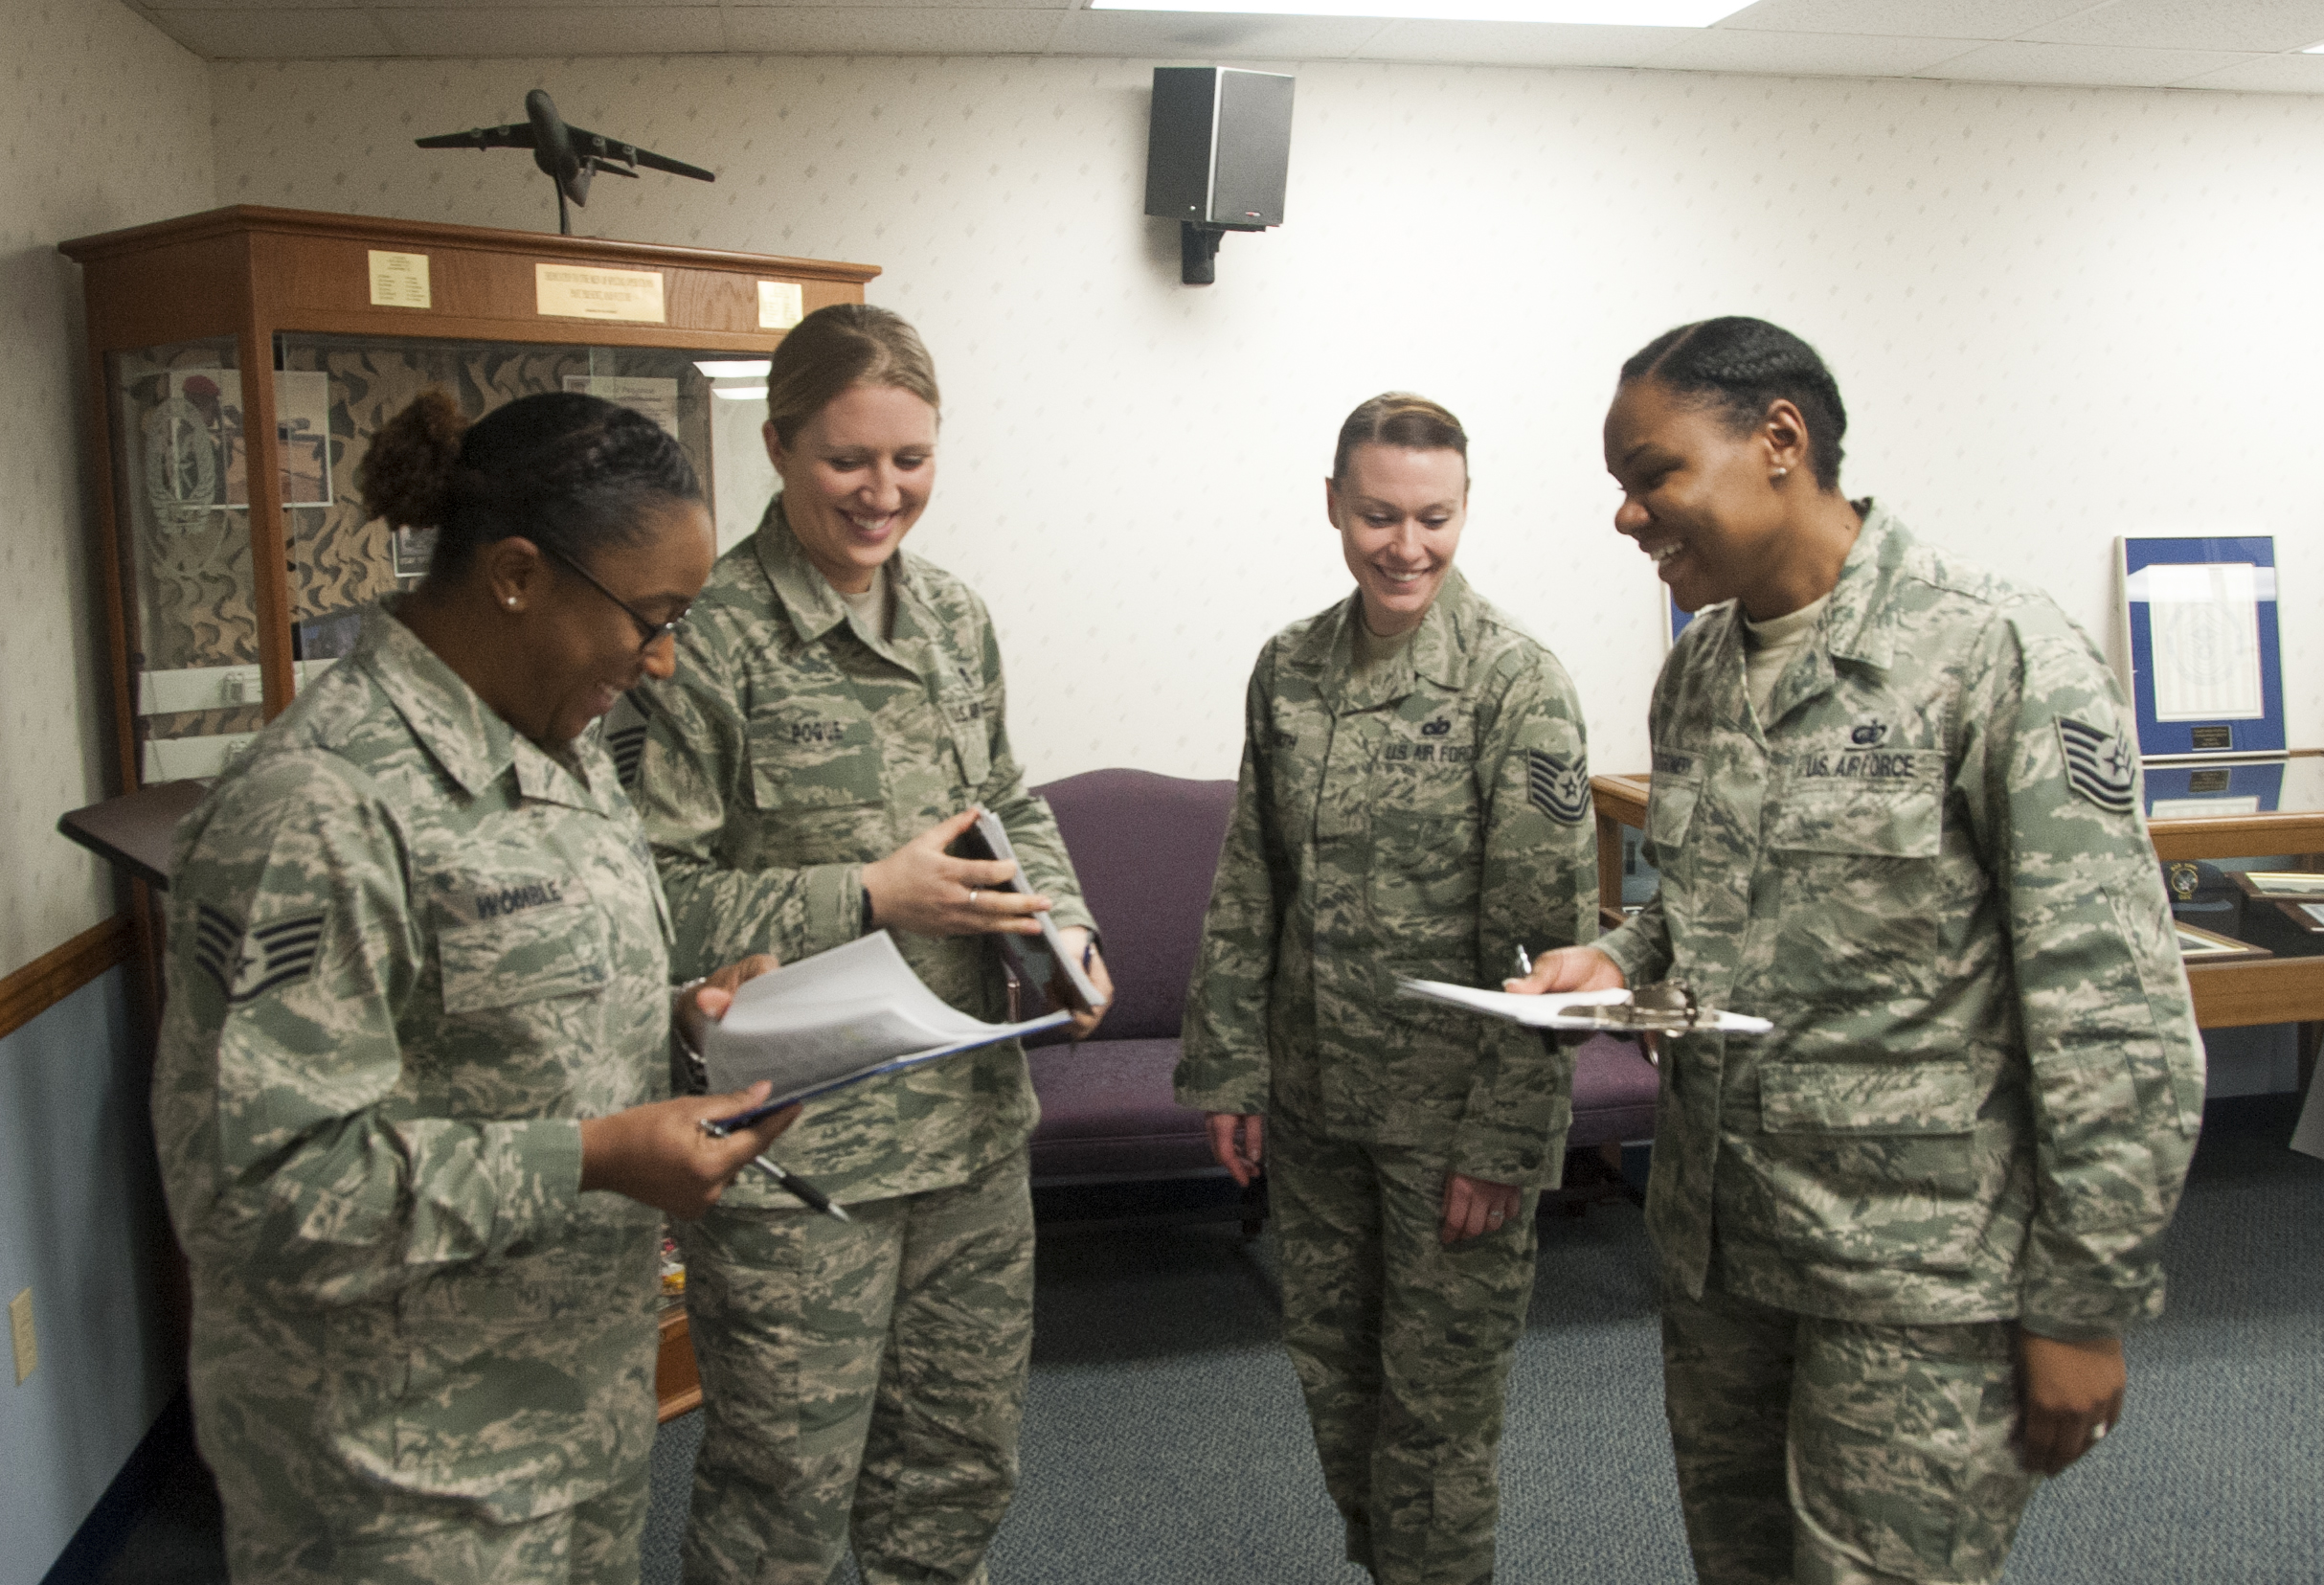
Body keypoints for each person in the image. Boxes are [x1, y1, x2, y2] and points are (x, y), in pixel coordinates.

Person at [1512, 317, 2205, 1585]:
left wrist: (2082, 1299)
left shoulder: (1996, 655)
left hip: (1919, 1276)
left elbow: (2113, 1007)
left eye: (1651, 473)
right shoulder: (1698, 674)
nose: (1627, 514)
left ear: (1779, 440)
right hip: (1725, 1249)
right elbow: (1695, 910)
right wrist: (1616, 957)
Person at [151, 388, 799, 1585]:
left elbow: (513, 1021)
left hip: (571, 1420)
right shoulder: (320, 808)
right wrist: (596, 1155)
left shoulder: (557, 748)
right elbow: (256, 1195)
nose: (661, 661)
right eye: (649, 618)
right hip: (395, 1483)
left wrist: (685, 1021)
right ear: (514, 575)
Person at [629, 302, 1112, 1585]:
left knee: (955, 1469)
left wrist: (1064, 927)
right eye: (850, 459)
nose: (882, 491)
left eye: (911, 458)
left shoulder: (953, 615)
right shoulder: (702, 634)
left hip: (966, 1130)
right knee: (780, 1495)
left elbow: (1008, 799)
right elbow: (651, 897)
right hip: (800, 1146)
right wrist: (865, 891)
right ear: (782, 445)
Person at [1176, 393, 1599, 1585]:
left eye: (1433, 517)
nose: (1405, 546)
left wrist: (1504, 1143)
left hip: (1448, 1130)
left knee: (1439, 1420)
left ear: (1465, 511)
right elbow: (1253, 879)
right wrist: (1229, 1066)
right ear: (1334, 506)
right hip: (1314, 1109)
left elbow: (1542, 945)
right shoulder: (1290, 667)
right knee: (1340, 1382)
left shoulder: (1518, 684)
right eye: (1378, 516)